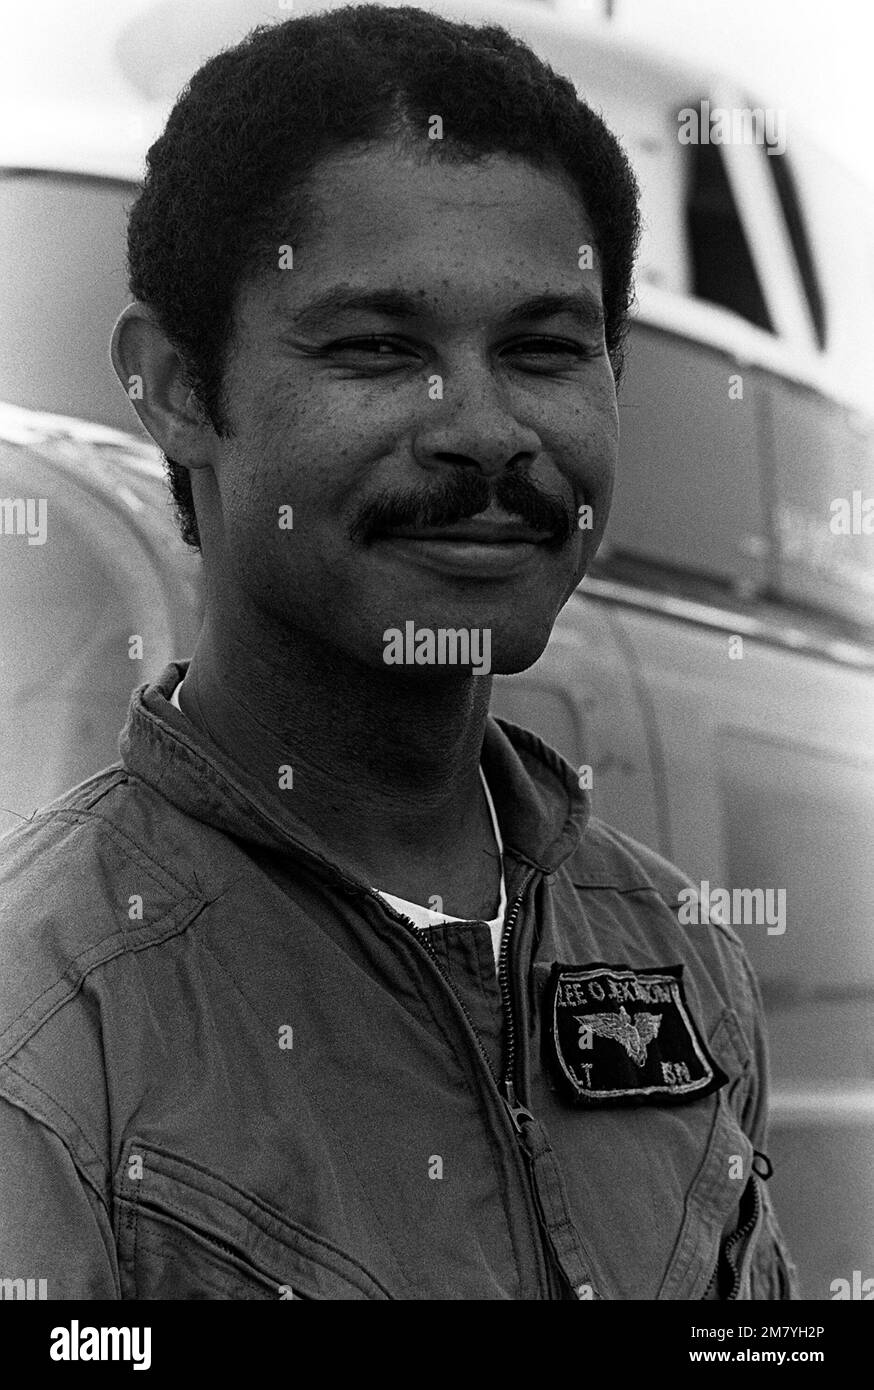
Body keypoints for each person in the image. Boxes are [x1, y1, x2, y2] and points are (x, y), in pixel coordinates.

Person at [0, 3, 797, 1299]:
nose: (482, 429)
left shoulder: (676, 952)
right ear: (178, 386)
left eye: (544, 350)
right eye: (377, 348)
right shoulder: (43, 1019)